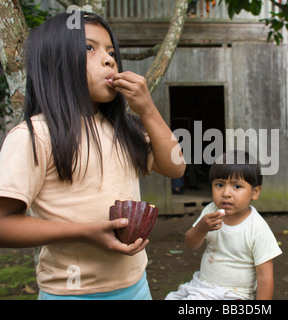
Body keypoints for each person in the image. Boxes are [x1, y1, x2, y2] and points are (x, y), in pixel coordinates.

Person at [0, 12, 185, 299]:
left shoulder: (124, 128)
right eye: (90, 48)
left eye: (111, 52)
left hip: (136, 287)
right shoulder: (34, 136)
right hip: (70, 292)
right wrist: (83, 231)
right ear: (55, 62)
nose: (110, 59)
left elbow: (176, 167)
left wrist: (148, 110)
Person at [165, 150, 282, 300]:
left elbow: (265, 276)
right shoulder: (211, 210)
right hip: (202, 286)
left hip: (234, 295)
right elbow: (191, 244)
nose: (226, 193)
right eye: (219, 185)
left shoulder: (258, 228)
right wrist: (201, 228)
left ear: (255, 192)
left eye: (237, 187)